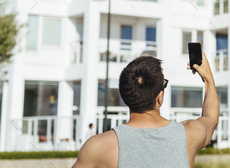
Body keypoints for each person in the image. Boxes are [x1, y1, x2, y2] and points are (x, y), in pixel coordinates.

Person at [73, 54, 219, 168]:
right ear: (160, 97)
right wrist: (208, 79)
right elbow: (211, 118)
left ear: (125, 96)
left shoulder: (97, 147)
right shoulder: (189, 135)